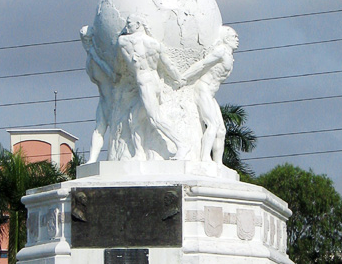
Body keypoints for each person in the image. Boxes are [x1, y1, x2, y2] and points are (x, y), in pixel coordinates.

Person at [117, 16, 186, 158]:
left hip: (145, 82)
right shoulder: (154, 44)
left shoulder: (125, 41)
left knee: (155, 118)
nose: (126, 26)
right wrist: (179, 78)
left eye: (129, 23)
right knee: (134, 118)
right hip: (154, 81)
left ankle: (182, 145)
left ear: (138, 24)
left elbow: (123, 63)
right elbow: (168, 65)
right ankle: (139, 153)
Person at [181, 26, 239, 164]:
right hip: (203, 89)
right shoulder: (221, 51)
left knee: (221, 130)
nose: (237, 39)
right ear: (226, 39)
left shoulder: (229, 56)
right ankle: (205, 158)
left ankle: (218, 163)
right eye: (234, 37)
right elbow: (203, 64)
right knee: (212, 124)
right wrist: (183, 77)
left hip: (210, 94)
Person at [79, 25, 115, 163]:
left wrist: (113, 75)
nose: (86, 42)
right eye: (84, 39)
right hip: (104, 99)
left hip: (113, 100)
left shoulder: (96, 54)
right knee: (99, 129)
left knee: (110, 130)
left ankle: (104, 159)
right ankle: (92, 159)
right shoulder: (91, 56)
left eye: (88, 39)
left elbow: (106, 69)